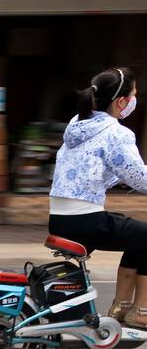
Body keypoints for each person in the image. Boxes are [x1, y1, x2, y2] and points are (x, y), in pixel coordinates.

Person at [49, 67, 147, 328]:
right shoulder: (117, 133)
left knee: (139, 236)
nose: (135, 100)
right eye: (134, 95)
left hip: (59, 219)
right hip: (85, 221)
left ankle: (121, 309)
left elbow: (97, 168)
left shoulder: (77, 124)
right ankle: (140, 311)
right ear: (121, 101)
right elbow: (140, 179)